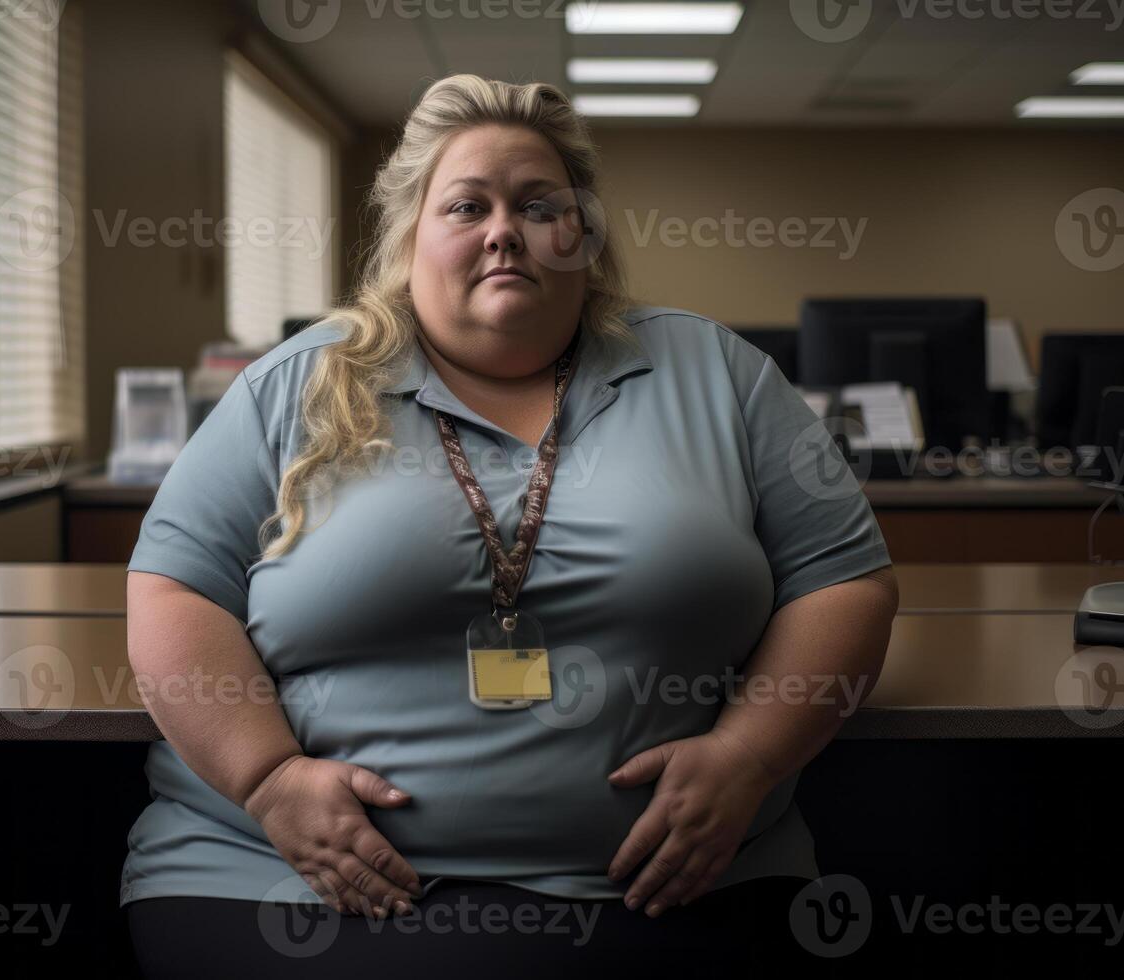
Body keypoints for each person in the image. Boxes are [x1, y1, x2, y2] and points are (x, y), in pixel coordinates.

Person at [122, 74, 898, 977]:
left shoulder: (716, 372)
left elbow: (844, 581)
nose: (503, 231)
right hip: (286, 880)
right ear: (412, 232)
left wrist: (750, 756)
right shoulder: (291, 385)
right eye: (466, 205)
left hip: (677, 881)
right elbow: (173, 588)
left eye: (540, 206)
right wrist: (268, 781)